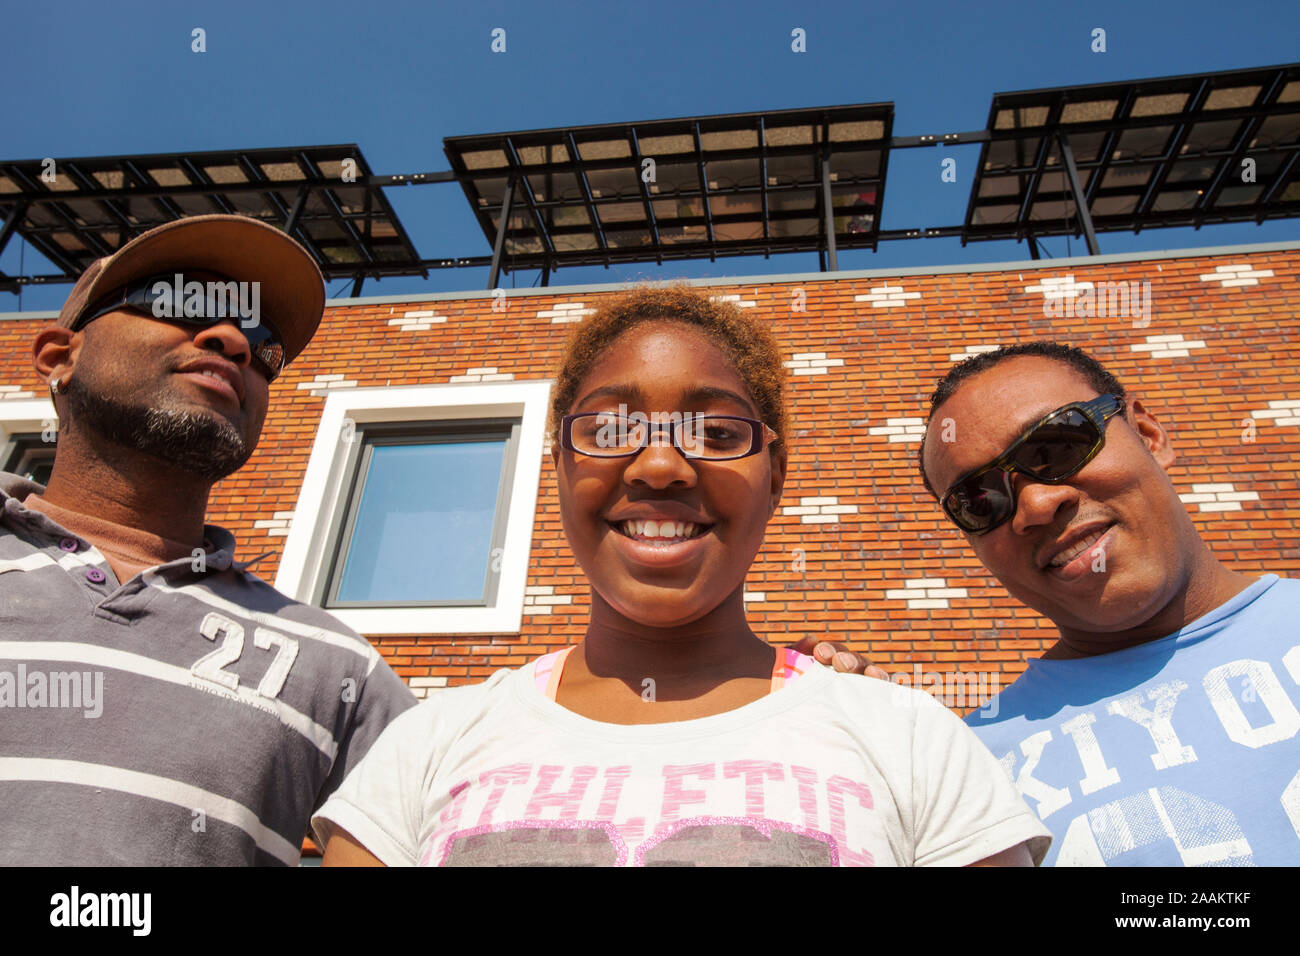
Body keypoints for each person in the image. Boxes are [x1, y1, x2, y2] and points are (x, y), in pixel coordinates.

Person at [313, 286, 1050, 867]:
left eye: (715, 433)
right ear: (562, 468)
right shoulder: (426, 747)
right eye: (609, 430)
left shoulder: (909, 738)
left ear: (775, 476)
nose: (661, 464)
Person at [0, 214, 416, 865]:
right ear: (61, 355)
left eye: (264, 343)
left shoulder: (338, 671)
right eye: (181, 301)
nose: (233, 340)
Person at [918, 341, 1300, 866]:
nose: (1036, 503)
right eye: (981, 499)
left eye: (1057, 444)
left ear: (1147, 434)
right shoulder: (964, 770)